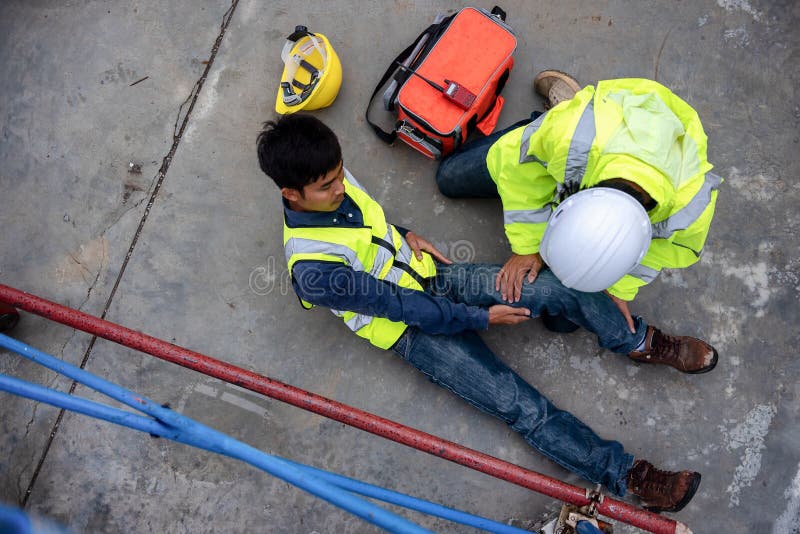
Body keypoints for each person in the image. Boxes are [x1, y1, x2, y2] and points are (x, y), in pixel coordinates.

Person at [256, 113, 701, 513]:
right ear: (291, 194)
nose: (340, 187)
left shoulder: (329, 178)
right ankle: (627, 475)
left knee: (554, 286)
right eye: (327, 186)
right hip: (411, 329)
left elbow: (371, 222)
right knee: (520, 405)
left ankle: (638, 341)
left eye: (339, 175)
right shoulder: (313, 269)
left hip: (429, 274)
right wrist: (483, 318)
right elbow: (404, 307)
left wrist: (405, 234)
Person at [436, 71, 722, 374]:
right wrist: (529, 246)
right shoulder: (572, 139)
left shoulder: (691, 206)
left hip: (629, 151)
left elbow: (663, 252)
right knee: (449, 178)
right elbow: (518, 169)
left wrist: (619, 287)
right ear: (569, 204)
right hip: (575, 135)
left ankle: (634, 339)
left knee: (561, 324)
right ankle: (550, 118)